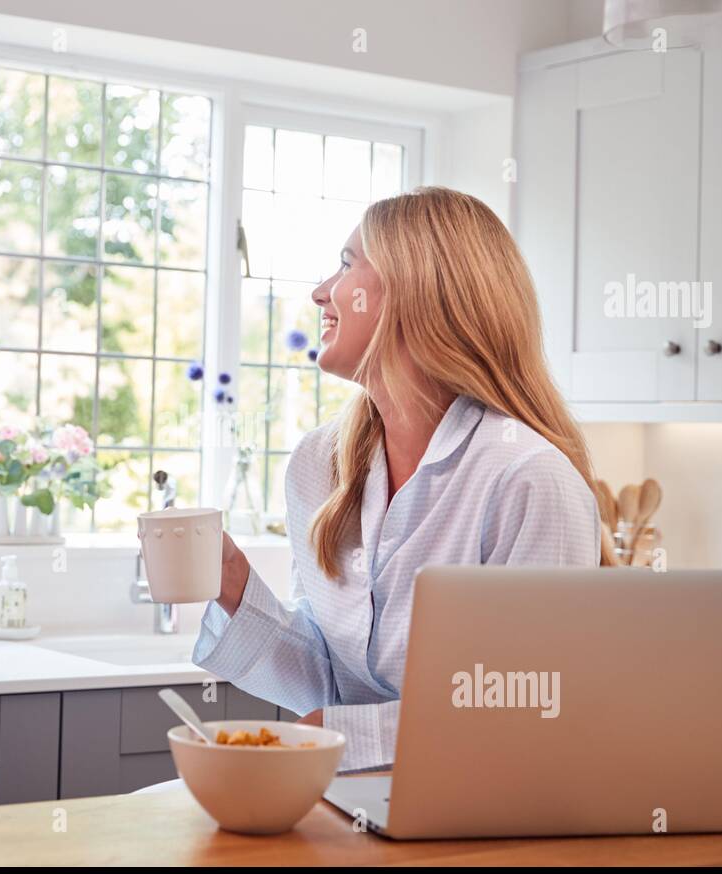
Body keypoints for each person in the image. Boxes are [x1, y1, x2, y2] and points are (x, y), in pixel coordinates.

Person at [197, 186, 607, 773]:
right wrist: (236, 591)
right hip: (354, 802)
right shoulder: (319, 464)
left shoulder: (527, 479)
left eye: (345, 264)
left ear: (418, 291)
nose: (319, 293)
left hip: (482, 818)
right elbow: (328, 680)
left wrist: (337, 738)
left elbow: (528, 703)